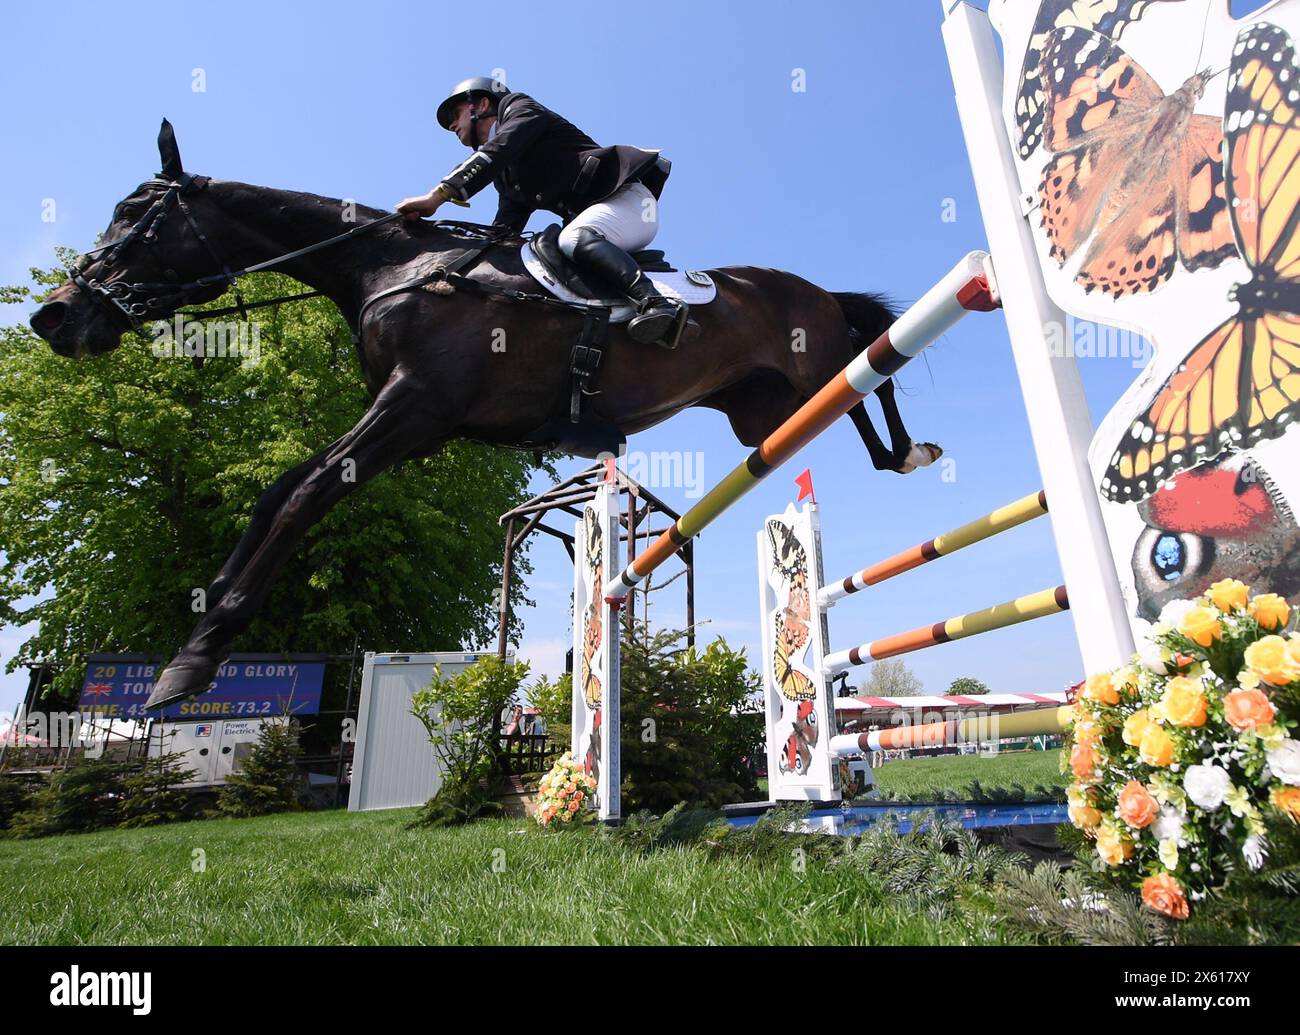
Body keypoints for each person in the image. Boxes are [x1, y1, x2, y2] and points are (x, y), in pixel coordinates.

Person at [395, 77, 686, 348]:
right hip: (600, 217)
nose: (452, 126)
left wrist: (437, 197)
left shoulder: (521, 108)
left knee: (572, 238)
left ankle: (657, 304)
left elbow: (494, 154)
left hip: (628, 202)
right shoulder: (507, 175)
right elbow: (503, 231)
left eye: (454, 115)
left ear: (481, 104)